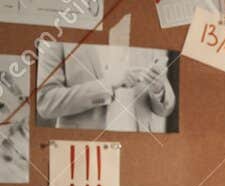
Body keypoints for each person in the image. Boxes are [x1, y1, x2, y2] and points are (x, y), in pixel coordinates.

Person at [35, 47, 175, 132]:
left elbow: (166, 109)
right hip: (84, 153)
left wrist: (158, 89)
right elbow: (45, 102)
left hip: (138, 152)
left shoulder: (143, 27)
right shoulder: (60, 31)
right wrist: (106, 84)